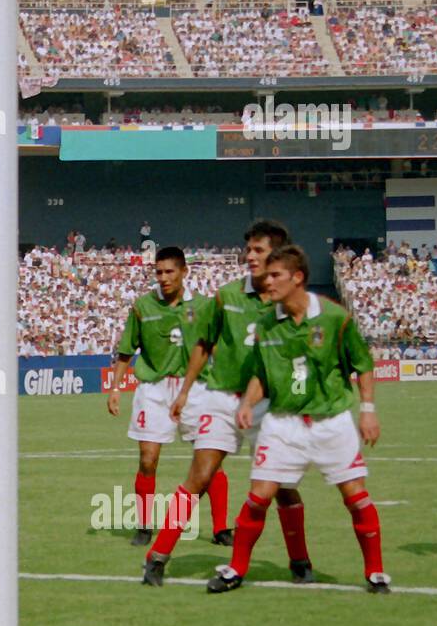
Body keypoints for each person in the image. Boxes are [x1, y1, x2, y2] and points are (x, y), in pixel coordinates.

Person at [207, 245, 388, 594]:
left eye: (275, 275)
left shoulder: (335, 317)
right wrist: (247, 402)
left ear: (298, 277)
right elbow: (260, 373)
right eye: (266, 275)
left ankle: (375, 572)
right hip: (282, 422)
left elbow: (363, 364)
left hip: (331, 421)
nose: (267, 281)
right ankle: (236, 568)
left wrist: (367, 409)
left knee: (355, 496)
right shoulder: (265, 324)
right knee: (258, 496)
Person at [146, 220, 313, 586]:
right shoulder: (226, 296)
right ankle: (156, 557)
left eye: (258, 250)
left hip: (269, 404)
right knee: (200, 477)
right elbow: (203, 344)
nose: (249, 256)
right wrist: (187, 391)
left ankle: (299, 560)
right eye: (248, 249)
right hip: (221, 398)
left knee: (281, 486)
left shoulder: (290, 304)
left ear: (278, 256)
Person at [107, 246, 212, 546]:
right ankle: (143, 526)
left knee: (207, 457)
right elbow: (126, 351)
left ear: (183, 272)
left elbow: (214, 346)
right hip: (153, 389)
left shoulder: (203, 306)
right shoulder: (143, 306)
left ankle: (220, 528)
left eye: (169, 271)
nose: (163, 277)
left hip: (194, 388)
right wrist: (115, 388)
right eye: (159, 272)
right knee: (148, 458)